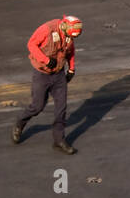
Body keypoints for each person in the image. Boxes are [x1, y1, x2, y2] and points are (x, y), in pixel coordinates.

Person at [12, 14, 83, 154]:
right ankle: (20, 123)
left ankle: (59, 140)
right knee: (37, 107)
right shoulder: (47, 29)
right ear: (64, 26)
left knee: (61, 109)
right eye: (71, 36)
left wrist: (72, 68)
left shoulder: (69, 35)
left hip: (59, 75)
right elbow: (31, 44)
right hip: (42, 74)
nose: (72, 39)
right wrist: (44, 59)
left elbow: (71, 51)